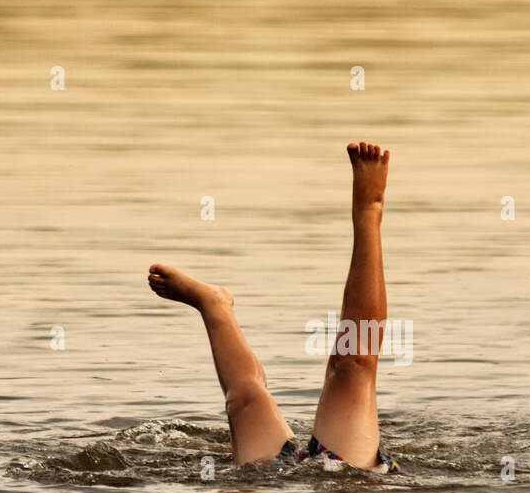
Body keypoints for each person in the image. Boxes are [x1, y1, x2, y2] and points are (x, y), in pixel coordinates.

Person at [148, 141, 397, 473]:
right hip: (351, 477)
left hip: (275, 475)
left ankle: (214, 305)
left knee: (243, 399)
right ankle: (369, 210)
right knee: (353, 367)